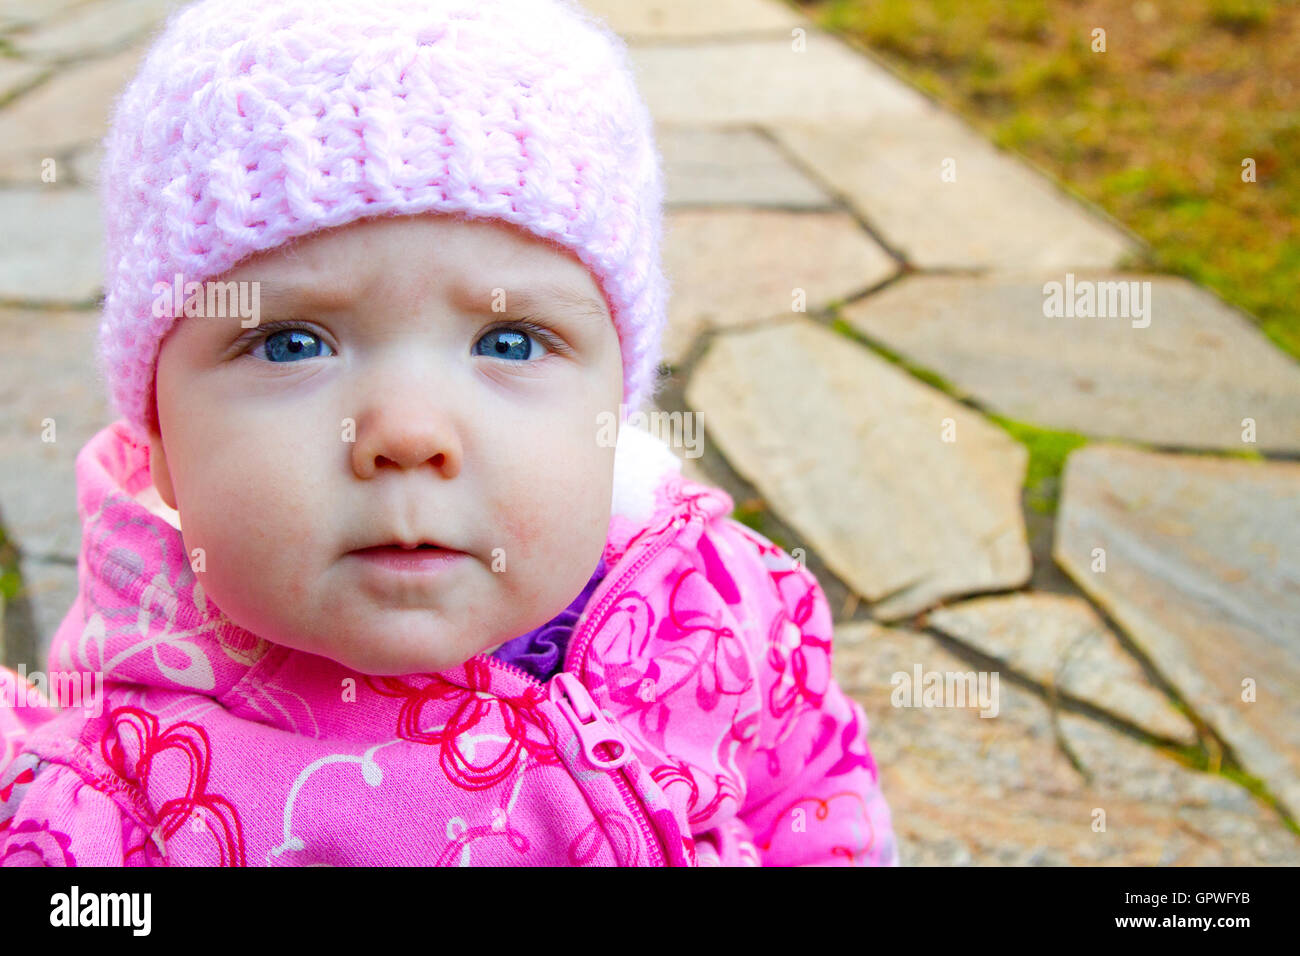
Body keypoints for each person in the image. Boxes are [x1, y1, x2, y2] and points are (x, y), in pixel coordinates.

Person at [0, 0, 898, 866]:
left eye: (509, 342)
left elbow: (809, 801)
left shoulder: (718, 617)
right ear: (161, 439)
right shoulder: (118, 801)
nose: (406, 433)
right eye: (289, 343)